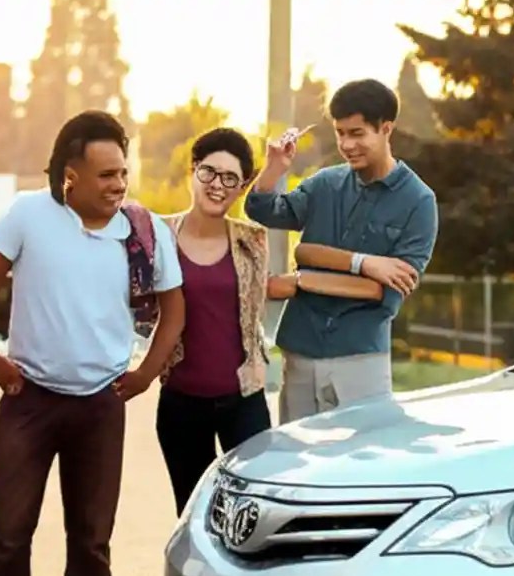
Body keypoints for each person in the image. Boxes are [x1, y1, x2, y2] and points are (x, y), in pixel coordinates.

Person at [0, 110, 185, 576]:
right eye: (106, 174)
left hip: (101, 405)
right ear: (70, 175)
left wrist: (145, 373)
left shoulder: (143, 230)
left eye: (123, 172)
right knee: (8, 532)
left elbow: (174, 307)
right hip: (28, 401)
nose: (118, 184)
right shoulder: (28, 215)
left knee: (91, 536)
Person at [156, 128, 384, 515]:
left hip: (243, 399)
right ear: (193, 170)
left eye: (230, 178)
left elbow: (268, 286)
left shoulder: (251, 240)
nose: (217, 185)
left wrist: (366, 270)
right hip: (181, 401)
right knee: (193, 511)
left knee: (258, 508)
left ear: (240, 187)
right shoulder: (159, 234)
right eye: (209, 172)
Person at [246, 79, 439, 423]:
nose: (347, 145)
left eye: (357, 133)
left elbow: (384, 292)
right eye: (340, 133)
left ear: (386, 129)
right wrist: (274, 167)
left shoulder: (419, 202)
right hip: (300, 352)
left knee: (364, 456)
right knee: (295, 452)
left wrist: (303, 277)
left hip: (361, 359)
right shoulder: (325, 183)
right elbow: (264, 211)